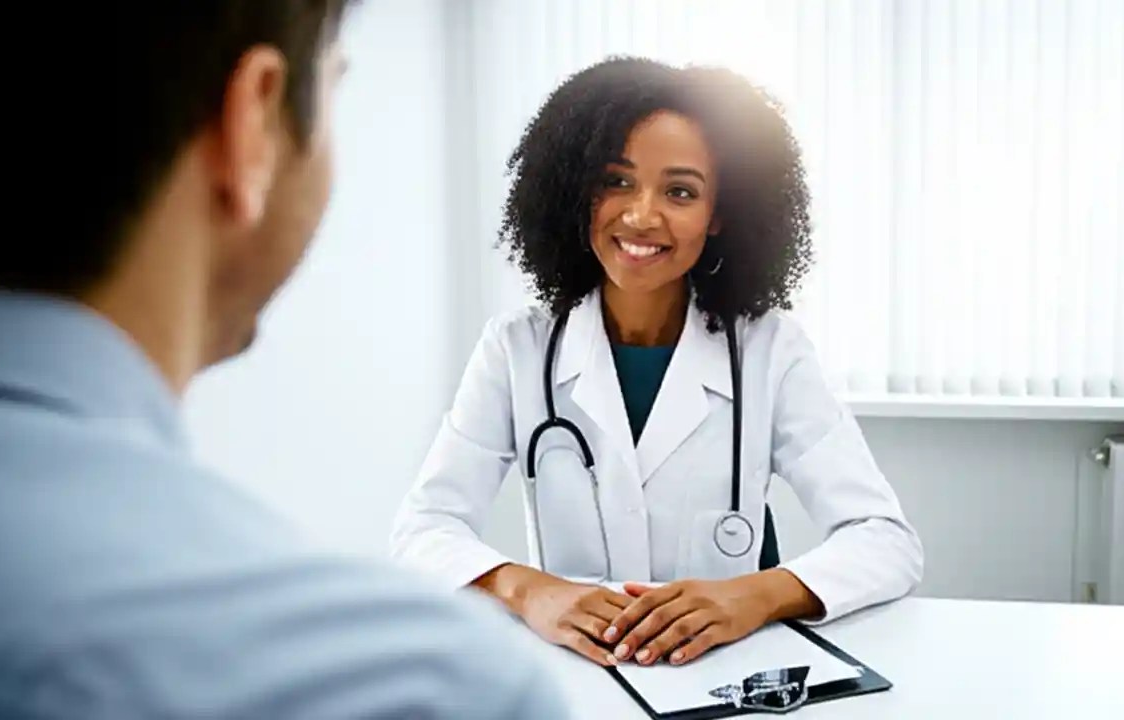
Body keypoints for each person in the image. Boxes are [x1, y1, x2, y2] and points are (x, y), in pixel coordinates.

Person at [0, 3, 569, 718]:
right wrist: (526, 587)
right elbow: (430, 524)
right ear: (253, 123)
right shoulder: (420, 688)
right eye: (335, 86)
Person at [390, 57, 923, 669]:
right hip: (582, 672)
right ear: (576, 190)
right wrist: (528, 590)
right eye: (617, 182)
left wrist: (752, 596)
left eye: (680, 191)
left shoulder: (770, 351)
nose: (642, 215)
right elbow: (423, 530)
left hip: (720, 676)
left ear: (720, 213)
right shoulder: (517, 350)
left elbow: (885, 541)